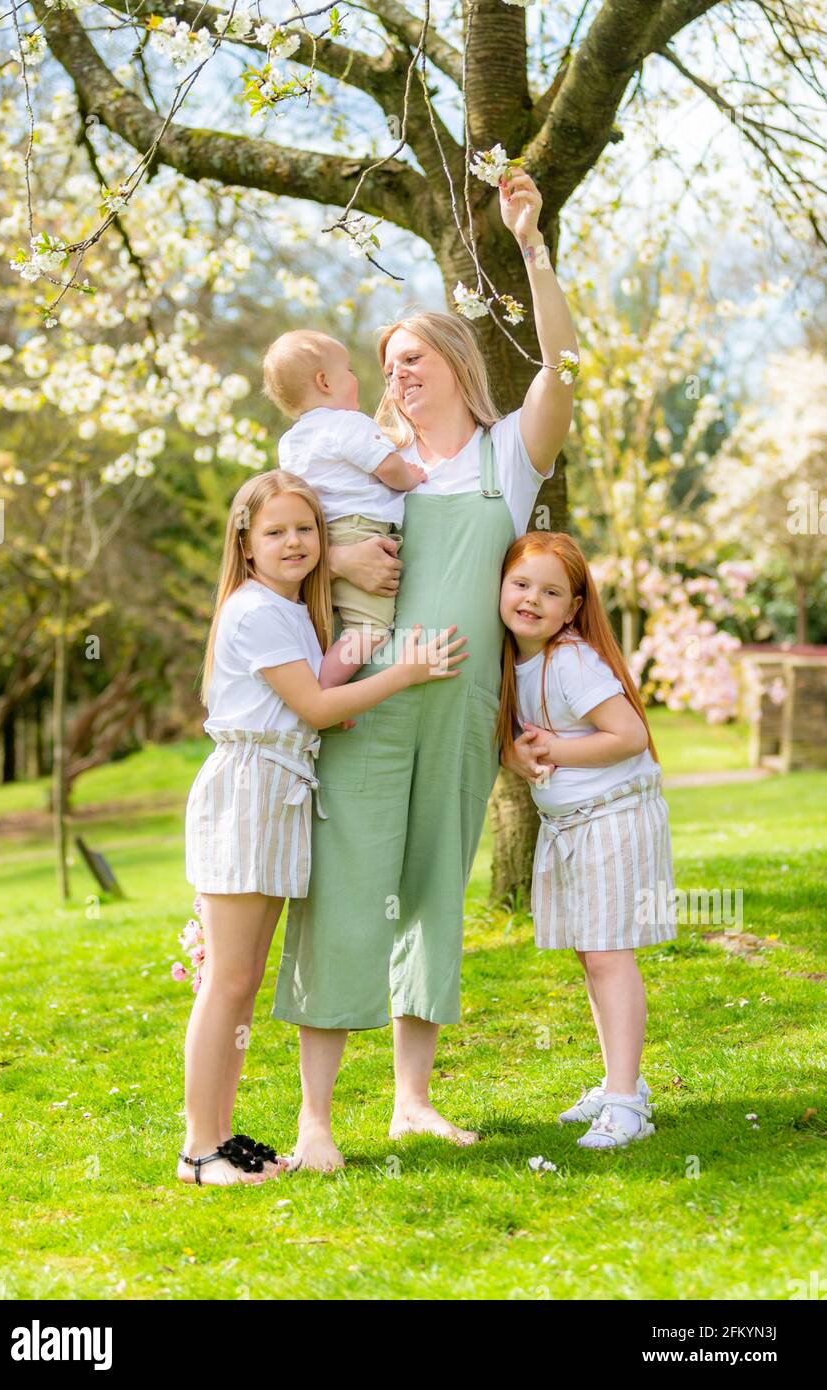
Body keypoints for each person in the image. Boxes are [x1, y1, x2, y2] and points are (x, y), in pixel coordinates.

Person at [271, 169, 578, 1170]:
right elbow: (272, 547)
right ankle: (316, 1121)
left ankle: (410, 1102)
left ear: (452, 359)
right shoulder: (352, 462)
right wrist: (340, 554)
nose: (395, 375)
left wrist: (529, 247)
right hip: (366, 707)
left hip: (456, 715)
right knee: (345, 890)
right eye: (384, 363)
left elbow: (564, 368)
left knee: (431, 894)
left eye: (410, 359)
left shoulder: (506, 459)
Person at [179, 470, 467, 1186]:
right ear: (245, 545)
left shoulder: (289, 612)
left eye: (306, 530)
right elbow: (310, 706)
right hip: (249, 791)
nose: (293, 543)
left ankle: (223, 1137)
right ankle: (198, 1147)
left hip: (279, 788)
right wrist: (407, 670)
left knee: (240, 981)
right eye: (275, 532)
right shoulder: (254, 611)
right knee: (227, 980)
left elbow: (321, 706)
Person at [496, 530, 677, 1149]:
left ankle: (627, 1102)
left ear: (573, 607)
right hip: (574, 824)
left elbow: (627, 735)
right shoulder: (516, 661)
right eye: (520, 584)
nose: (531, 600)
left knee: (607, 953)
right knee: (592, 954)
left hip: (613, 817)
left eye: (551, 592)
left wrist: (559, 750)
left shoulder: (569, 658)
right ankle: (619, 1082)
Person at [262, 328, 427, 686]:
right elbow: (387, 467)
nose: (354, 378)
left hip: (321, 539)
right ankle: (324, 691)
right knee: (369, 629)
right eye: (348, 370)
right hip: (359, 532)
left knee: (327, 625)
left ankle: (324, 682)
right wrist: (411, 476)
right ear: (324, 381)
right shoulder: (348, 424)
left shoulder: (290, 442)